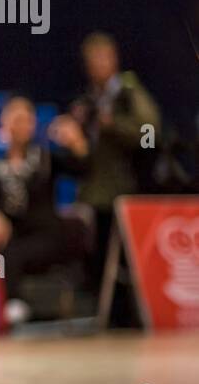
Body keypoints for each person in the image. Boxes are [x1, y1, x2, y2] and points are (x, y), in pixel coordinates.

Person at [48, 31, 160, 324]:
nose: (97, 65)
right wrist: (72, 137)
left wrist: (113, 124)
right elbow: (84, 151)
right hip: (94, 190)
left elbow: (150, 132)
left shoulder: (127, 91)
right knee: (95, 253)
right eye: (92, 60)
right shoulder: (87, 99)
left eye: (103, 58)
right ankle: (105, 313)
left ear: (114, 59)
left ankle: (127, 316)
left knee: (127, 259)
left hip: (125, 190)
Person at [0, 97, 88, 324]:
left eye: (27, 120)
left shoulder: (45, 158)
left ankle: (14, 303)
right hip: (15, 235)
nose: (22, 125)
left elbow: (81, 168)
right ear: (5, 123)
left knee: (13, 254)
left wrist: (77, 142)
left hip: (47, 235)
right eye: (17, 119)